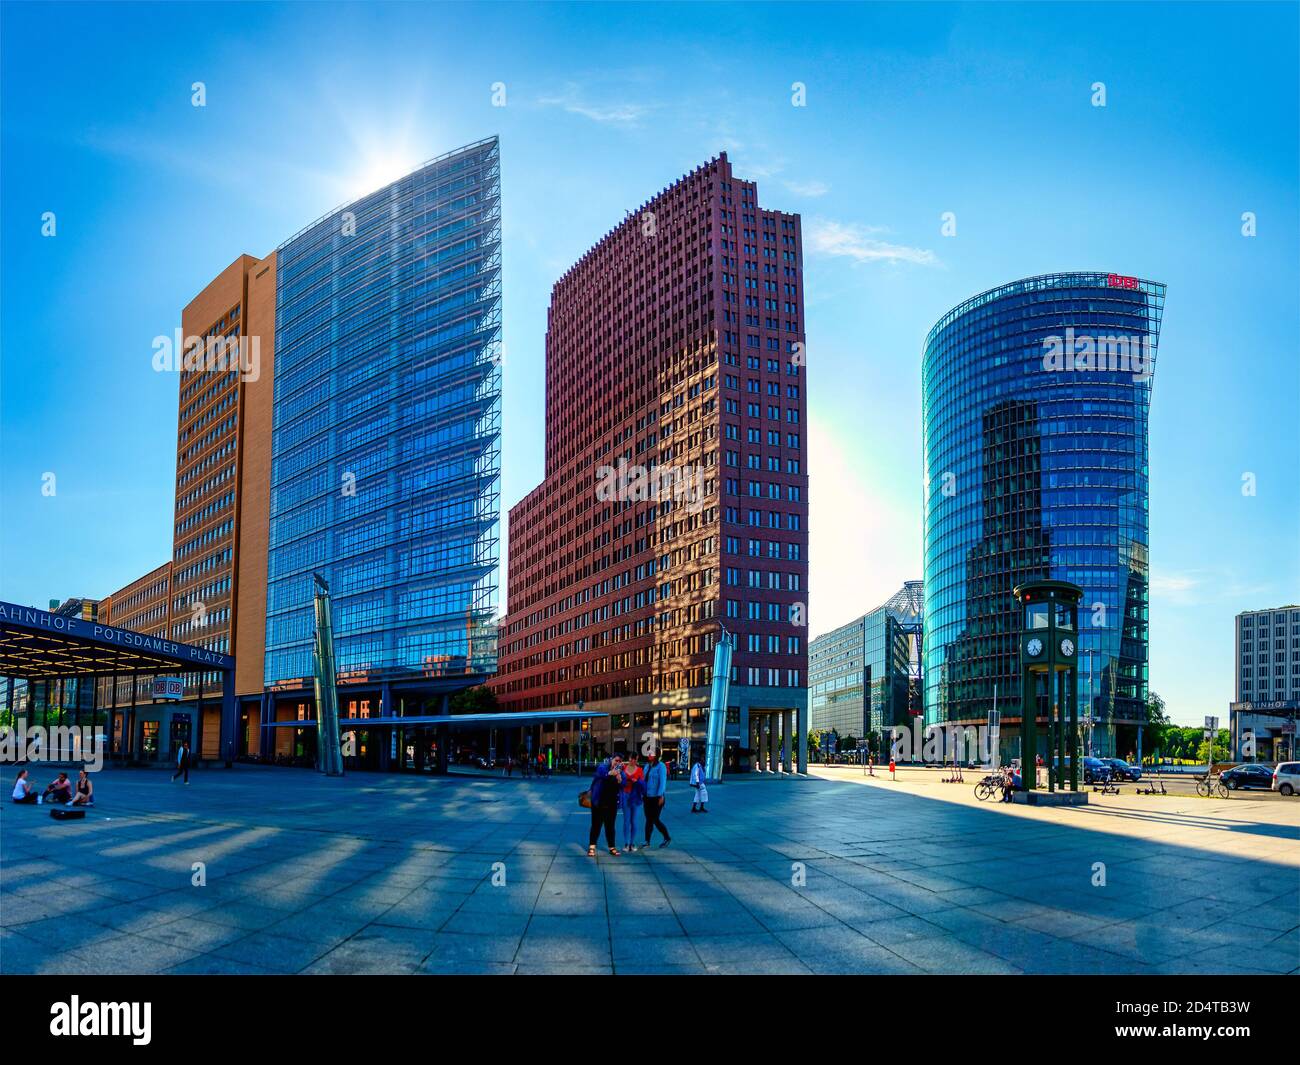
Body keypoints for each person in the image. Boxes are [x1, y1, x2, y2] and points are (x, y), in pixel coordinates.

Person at [587, 755, 623, 857]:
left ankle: (612, 847)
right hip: (599, 802)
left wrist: (620, 779)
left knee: (610, 826)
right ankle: (592, 846)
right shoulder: (603, 767)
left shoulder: (620, 772)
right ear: (611, 760)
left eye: (619, 761)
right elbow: (601, 774)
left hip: (612, 804)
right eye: (616, 760)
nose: (617, 762)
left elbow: (623, 784)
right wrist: (610, 773)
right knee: (596, 825)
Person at [642, 749, 671, 848]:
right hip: (647, 797)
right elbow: (643, 781)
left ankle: (667, 837)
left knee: (654, 819)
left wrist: (661, 795)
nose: (649, 754)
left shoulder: (661, 766)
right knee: (648, 819)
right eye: (649, 753)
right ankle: (647, 841)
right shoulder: (646, 766)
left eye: (651, 753)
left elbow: (662, 782)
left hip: (657, 797)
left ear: (656, 755)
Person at [619, 754, 645, 852]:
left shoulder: (639, 770)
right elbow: (619, 782)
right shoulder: (623, 768)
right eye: (631, 759)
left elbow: (643, 785)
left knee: (634, 821)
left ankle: (632, 843)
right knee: (626, 820)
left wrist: (637, 781)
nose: (633, 761)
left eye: (635, 759)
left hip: (636, 797)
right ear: (629, 759)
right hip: (625, 795)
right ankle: (626, 843)